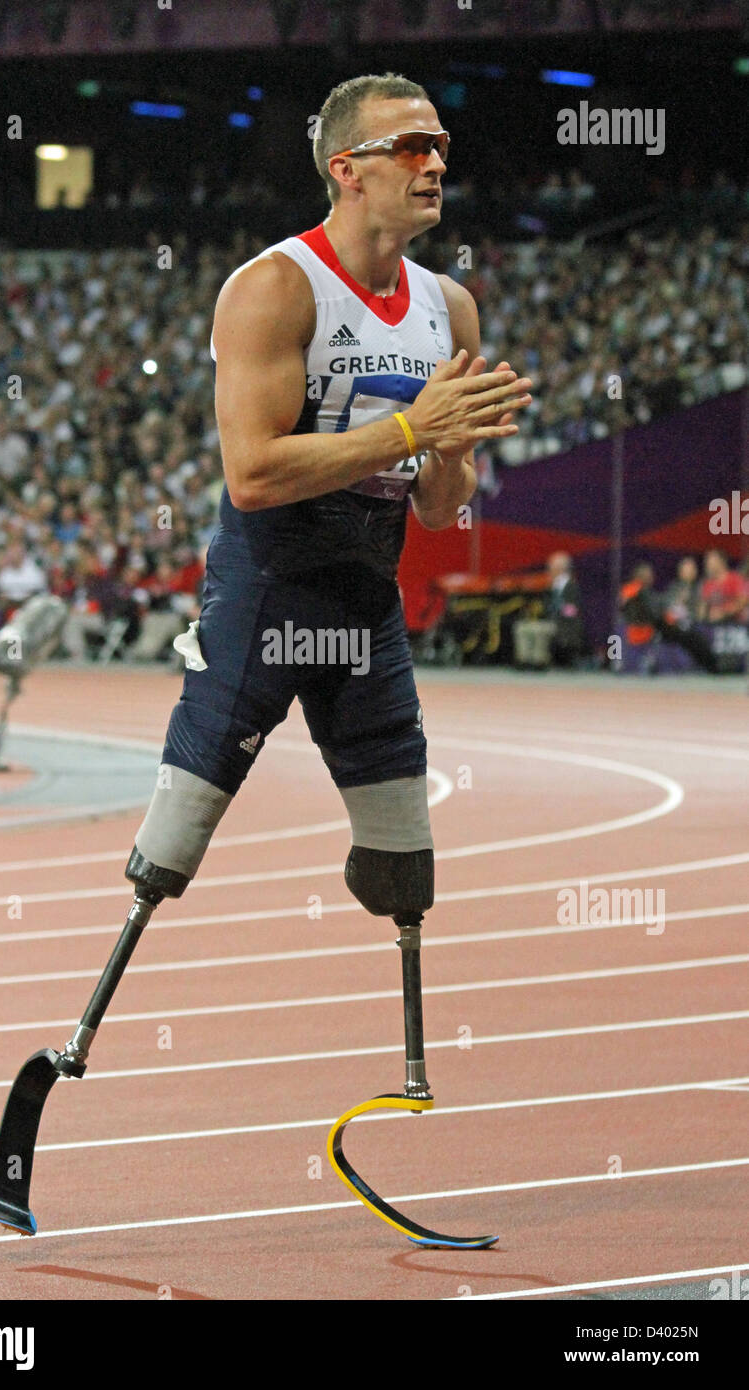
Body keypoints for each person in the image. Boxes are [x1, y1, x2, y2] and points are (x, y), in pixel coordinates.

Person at [122, 73, 533, 955]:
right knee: (167, 853)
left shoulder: (448, 308)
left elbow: (436, 509)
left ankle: (416, 1077)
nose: (435, 164)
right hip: (265, 594)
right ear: (347, 167)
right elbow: (253, 475)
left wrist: (452, 447)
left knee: (402, 871)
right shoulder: (276, 287)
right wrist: (412, 426)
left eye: (442, 147)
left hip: (365, 599)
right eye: (411, 147)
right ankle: (77, 1043)